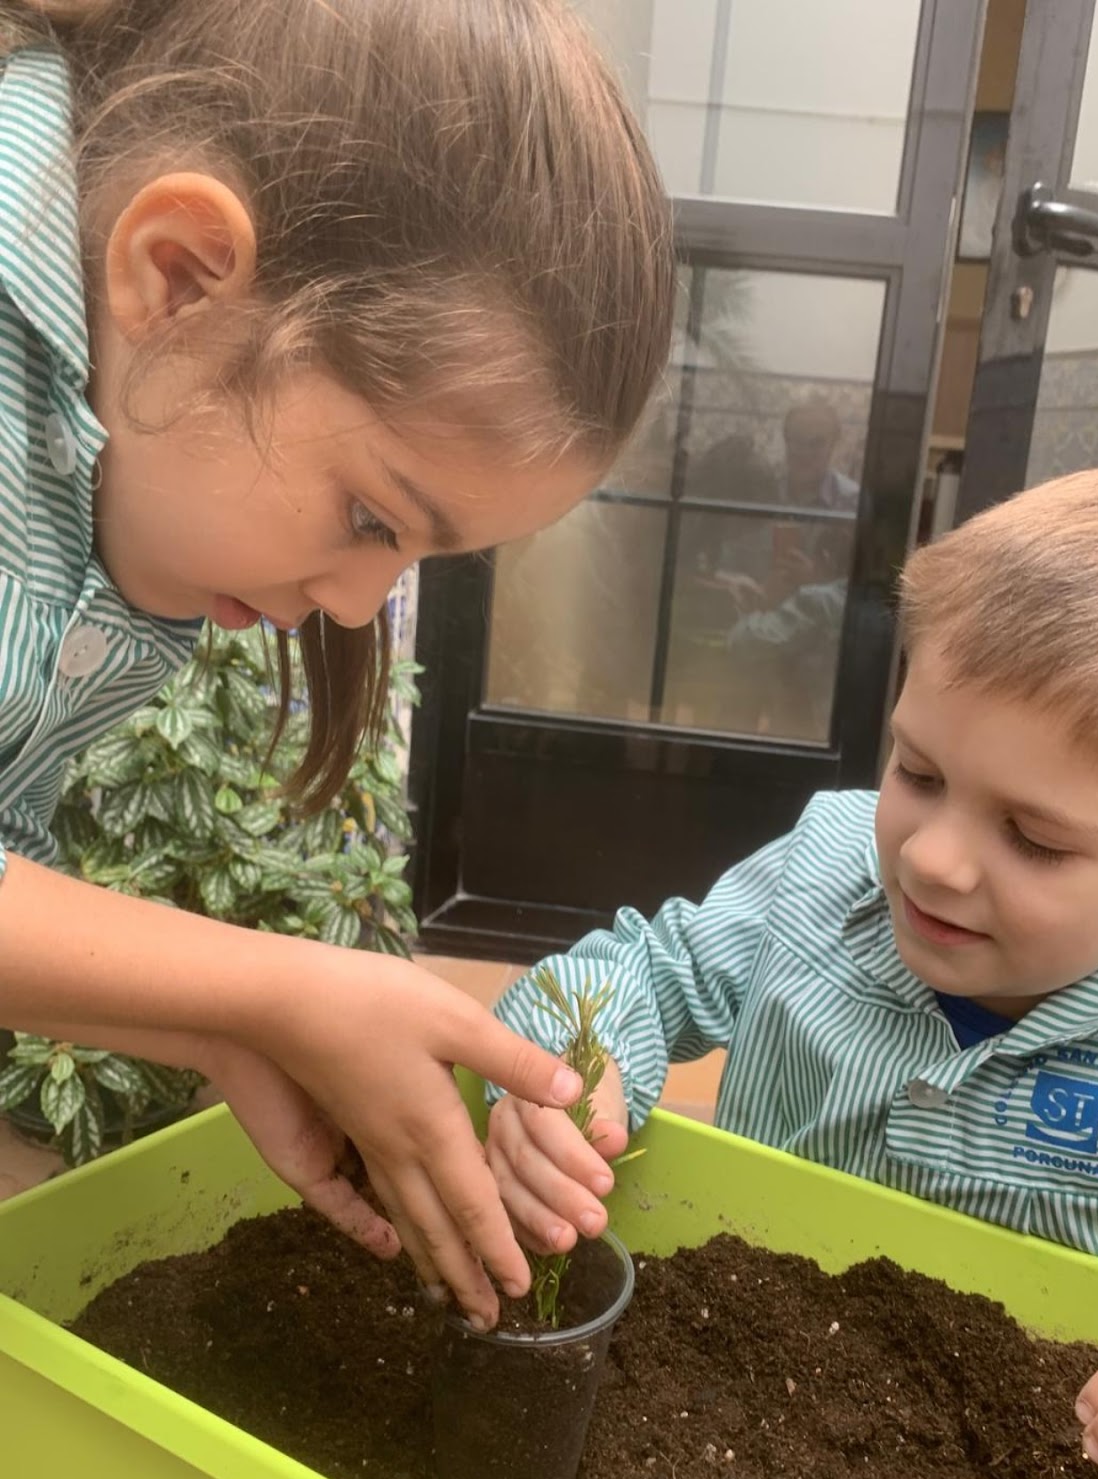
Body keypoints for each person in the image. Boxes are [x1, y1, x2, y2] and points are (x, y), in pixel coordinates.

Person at [0, 0, 675, 1328]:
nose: (360, 605)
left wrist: (226, 1027)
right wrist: (275, 989)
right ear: (178, 273)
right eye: (373, 515)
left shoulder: (130, 469)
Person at [487, 463, 1098, 1479]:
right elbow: (637, 967)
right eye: (917, 773)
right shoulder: (821, 871)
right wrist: (555, 1080)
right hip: (717, 1417)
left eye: (1034, 838)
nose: (931, 859)